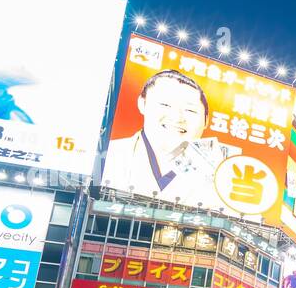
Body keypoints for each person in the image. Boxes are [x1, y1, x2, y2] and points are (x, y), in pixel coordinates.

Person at [101, 69, 236, 205]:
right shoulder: (108, 154)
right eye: (165, 105)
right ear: (142, 103)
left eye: (190, 110)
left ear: (206, 120)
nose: (177, 118)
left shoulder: (222, 177)